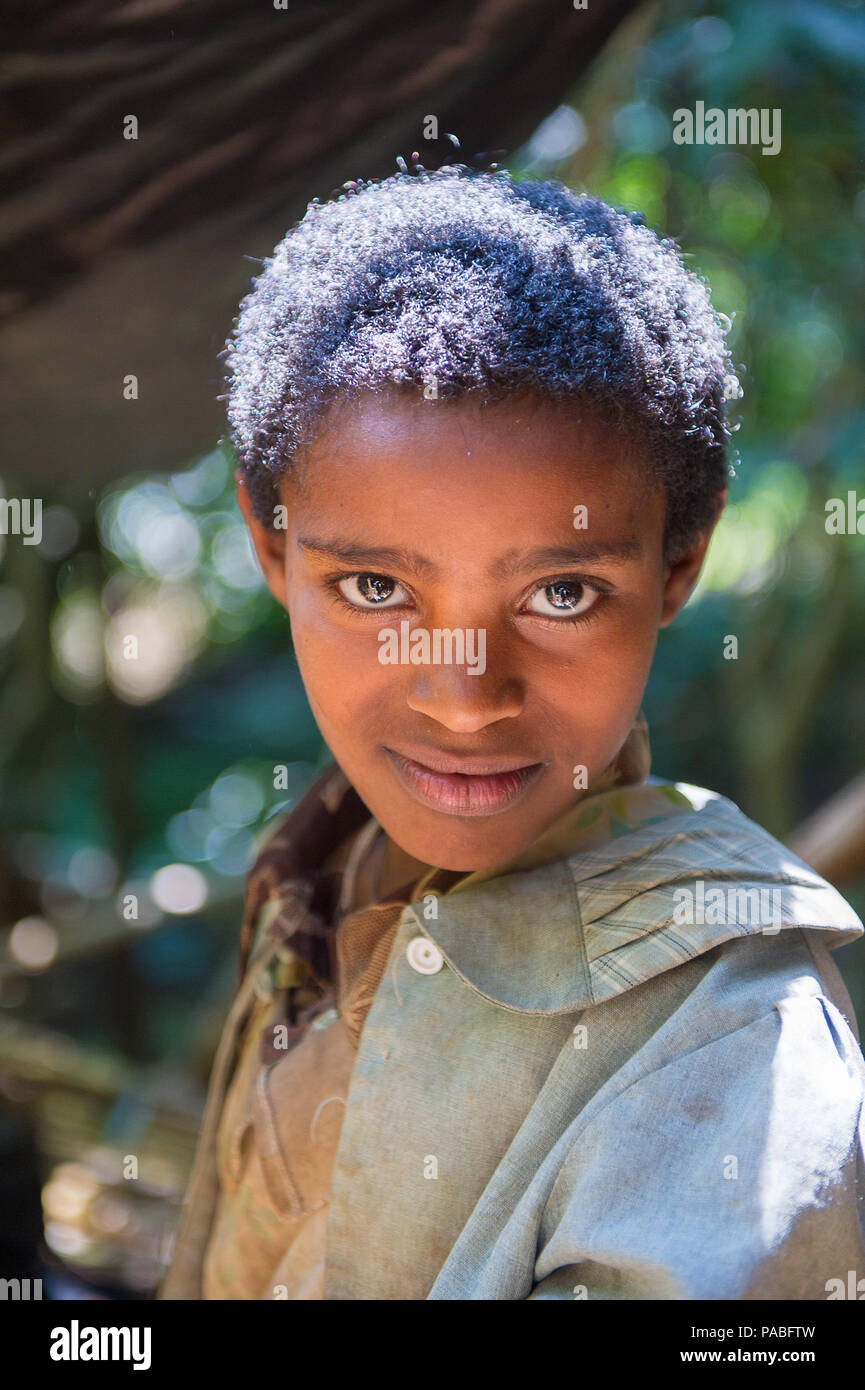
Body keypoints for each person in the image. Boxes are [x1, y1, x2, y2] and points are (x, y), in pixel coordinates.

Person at [159, 167, 865, 1301]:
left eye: (563, 595)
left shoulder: (731, 1061)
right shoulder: (323, 869)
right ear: (271, 544)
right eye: (378, 587)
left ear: (679, 565)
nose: (464, 697)